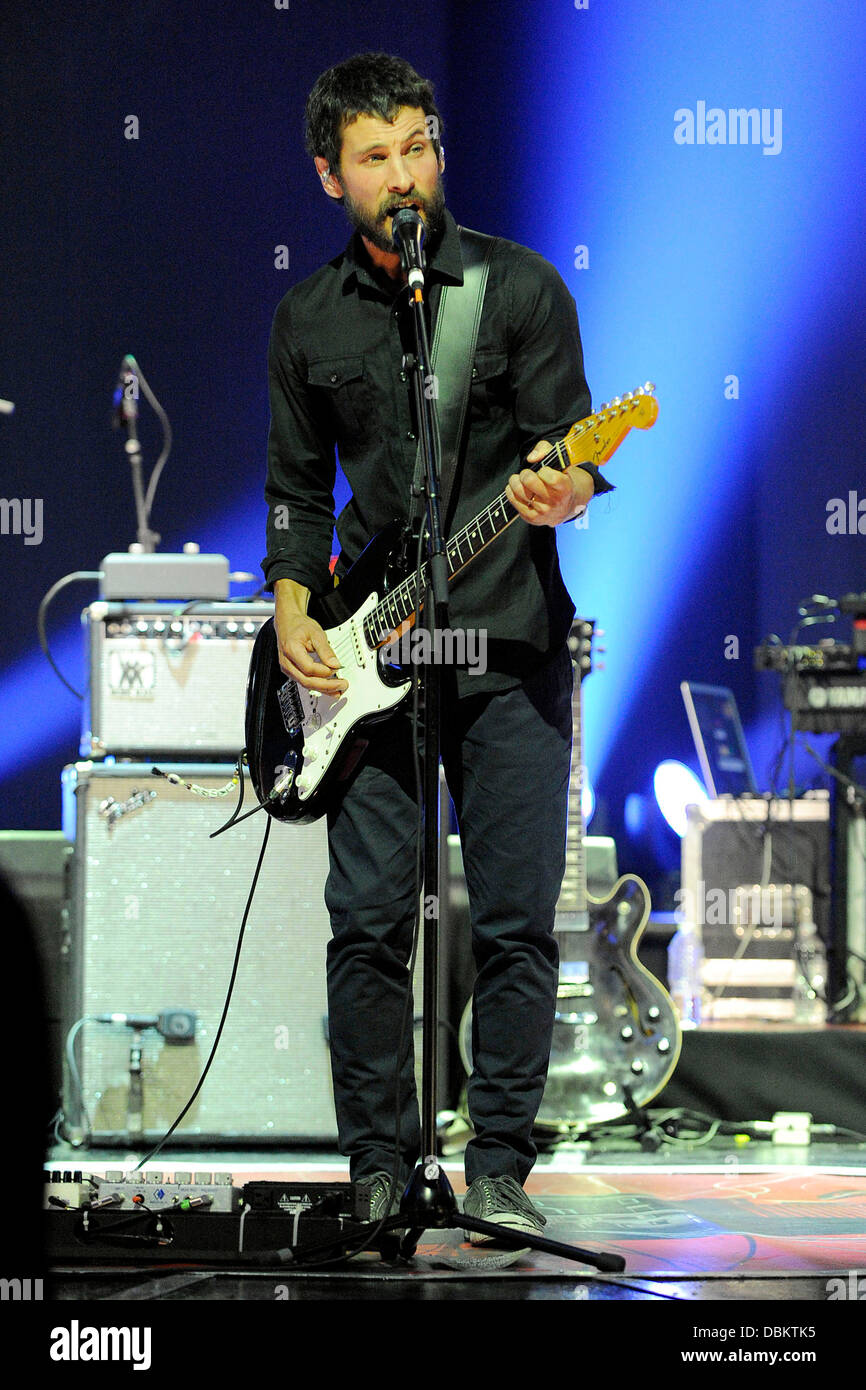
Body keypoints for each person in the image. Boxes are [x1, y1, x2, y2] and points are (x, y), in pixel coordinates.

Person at [262, 52, 612, 1243]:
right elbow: (297, 494)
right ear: (329, 174)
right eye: (375, 155)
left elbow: (572, 444)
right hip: (371, 662)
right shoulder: (307, 318)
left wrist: (568, 483)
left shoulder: (517, 289)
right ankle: (376, 1165)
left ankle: (501, 1166)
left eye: (418, 144)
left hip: (508, 641)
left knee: (514, 917)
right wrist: (294, 606)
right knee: (365, 920)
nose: (404, 172)